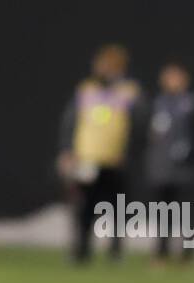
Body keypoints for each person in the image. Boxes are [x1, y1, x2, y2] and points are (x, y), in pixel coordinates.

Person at [57, 44, 145, 263]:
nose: (105, 69)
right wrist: (67, 150)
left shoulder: (130, 92)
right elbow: (70, 121)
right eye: (102, 65)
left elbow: (140, 125)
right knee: (83, 207)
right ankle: (81, 250)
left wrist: (130, 153)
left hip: (116, 160)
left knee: (118, 209)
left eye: (110, 65)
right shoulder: (86, 90)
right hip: (87, 158)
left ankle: (115, 252)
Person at [144, 61, 194, 263]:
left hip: (184, 169)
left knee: (188, 212)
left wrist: (191, 152)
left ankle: (188, 255)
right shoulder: (158, 103)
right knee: (162, 212)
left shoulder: (192, 104)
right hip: (161, 168)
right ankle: (161, 253)